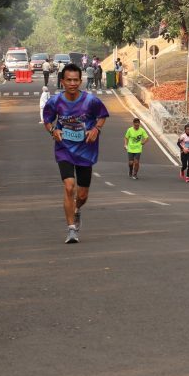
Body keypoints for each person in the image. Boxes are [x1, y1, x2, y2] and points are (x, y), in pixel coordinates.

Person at [43, 63, 110, 244]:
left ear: (81, 81)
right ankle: (71, 229)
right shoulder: (55, 102)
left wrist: (96, 128)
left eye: (76, 80)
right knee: (69, 187)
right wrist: (53, 131)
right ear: (62, 81)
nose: (72, 83)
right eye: (69, 80)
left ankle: (77, 210)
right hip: (64, 149)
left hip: (85, 152)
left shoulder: (90, 101)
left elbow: (102, 115)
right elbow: (47, 120)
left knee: (82, 195)